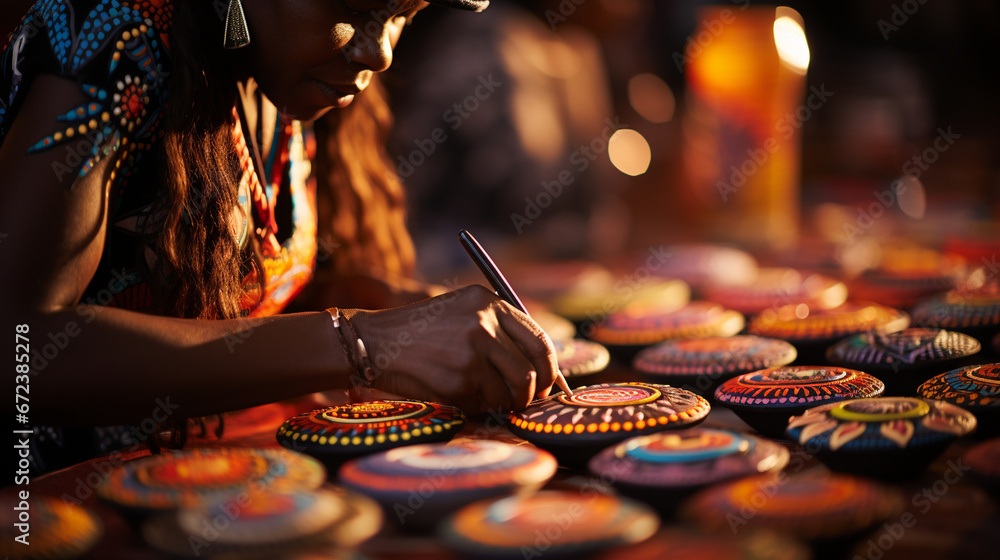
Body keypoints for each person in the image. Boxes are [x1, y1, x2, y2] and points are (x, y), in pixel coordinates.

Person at [0, 0, 558, 474]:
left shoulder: (278, 74)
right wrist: (361, 342)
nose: (379, 52)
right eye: (357, 10)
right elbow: (18, 346)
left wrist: (367, 302)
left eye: (402, 16)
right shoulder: (113, 38)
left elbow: (222, 304)